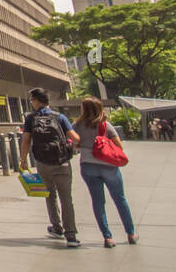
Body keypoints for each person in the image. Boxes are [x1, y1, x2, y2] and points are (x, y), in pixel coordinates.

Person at [20, 88, 82, 248]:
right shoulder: (59, 117)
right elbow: (75, 138)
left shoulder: (31, 118)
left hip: (42, 162)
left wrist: (23, 160)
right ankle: (71, 235)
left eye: (32, 100)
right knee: (66, 198)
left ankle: (56, 227)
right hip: (62, 162)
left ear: (36, 101)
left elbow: (26, 140)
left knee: (49, 194)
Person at [74, 96, 137, 248]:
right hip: (108, 166)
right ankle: (131, 233)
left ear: (84, 109)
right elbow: (119, 146)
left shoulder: (77, 125)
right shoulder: (105, 125)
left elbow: (74, 144)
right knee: (120, 200)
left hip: (88, 166)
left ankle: (107, 237)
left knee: (98, 202)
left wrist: (83, 146)